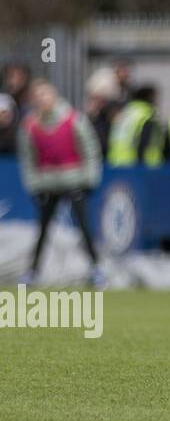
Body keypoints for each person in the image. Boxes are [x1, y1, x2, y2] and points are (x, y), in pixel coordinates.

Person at [15, 80, 104, 287]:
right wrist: (34, 184)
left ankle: (96, 269)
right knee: (43, 229)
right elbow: (27, 158)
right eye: (38, 96)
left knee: (83, 226)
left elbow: (90, 150)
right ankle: (33, 272)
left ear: (54, 96)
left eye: (45, 95)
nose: (42, 100)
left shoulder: (73, 119)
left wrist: (89, 179)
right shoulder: (30, 125)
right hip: (47, 184)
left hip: (74, 181)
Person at [106, 84, 164, 166]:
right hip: (135, 166)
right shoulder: (146, 113)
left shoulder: (127, 111)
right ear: (149, 96)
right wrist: (142, 167)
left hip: (116, 163)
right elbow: (144, 142)